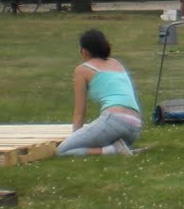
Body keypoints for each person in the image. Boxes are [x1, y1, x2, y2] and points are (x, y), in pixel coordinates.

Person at [55, 29, 142, 157]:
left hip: (113, 120)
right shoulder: (116, 63)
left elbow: (80, 111)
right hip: (135, 126)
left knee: (62, 150)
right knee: (95, 139)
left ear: (83, 51)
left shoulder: (82, 70)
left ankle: (113, 150)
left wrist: (75, 136)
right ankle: (118, 147)